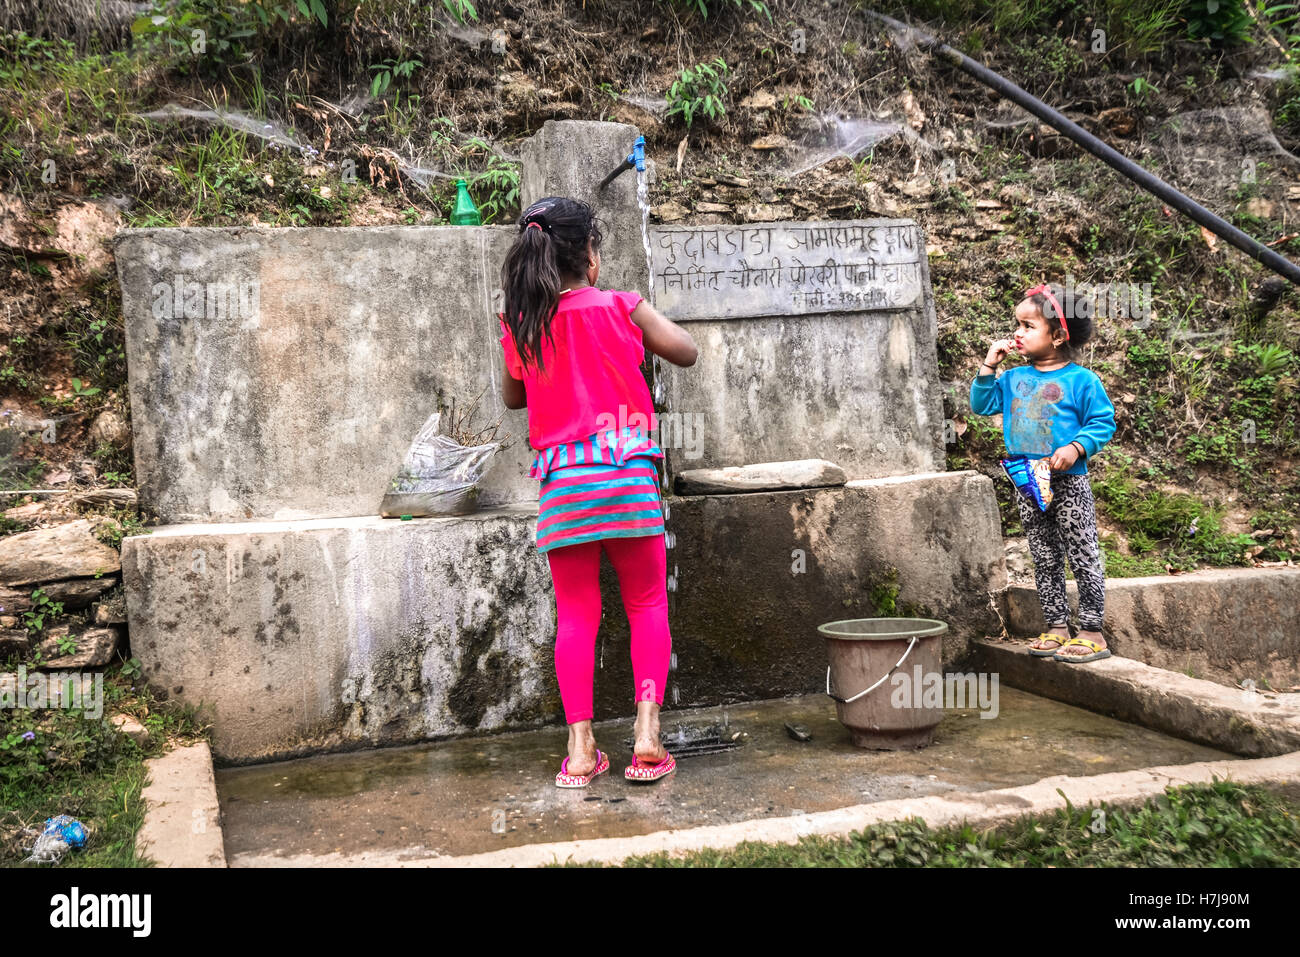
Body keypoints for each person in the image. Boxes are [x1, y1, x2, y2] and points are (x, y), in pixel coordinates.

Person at [497, 196, 698, 786]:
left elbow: (514, 399)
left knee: (578, 615)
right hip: (628, 476)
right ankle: (647, 737)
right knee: (646, 604)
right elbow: (686, 351)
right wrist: (630, 323)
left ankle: (581, 749)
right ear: (590, 255)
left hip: (564, 485)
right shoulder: (621, 306)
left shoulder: (522, 321)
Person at [970, 283, 1116, 662]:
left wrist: (1075, 447)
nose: (1017, 333)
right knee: (1044, 555)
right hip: (1027, 481)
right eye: (1016, 324)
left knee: (1082, 552)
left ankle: (1092, 630)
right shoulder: (1013, 379)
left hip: (1068, 481)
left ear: (1058, 336)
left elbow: (1102, 422)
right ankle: (1056, 626)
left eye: (1027, 326)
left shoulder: (1082, 381)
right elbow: (982, 405)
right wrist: (990, 365)